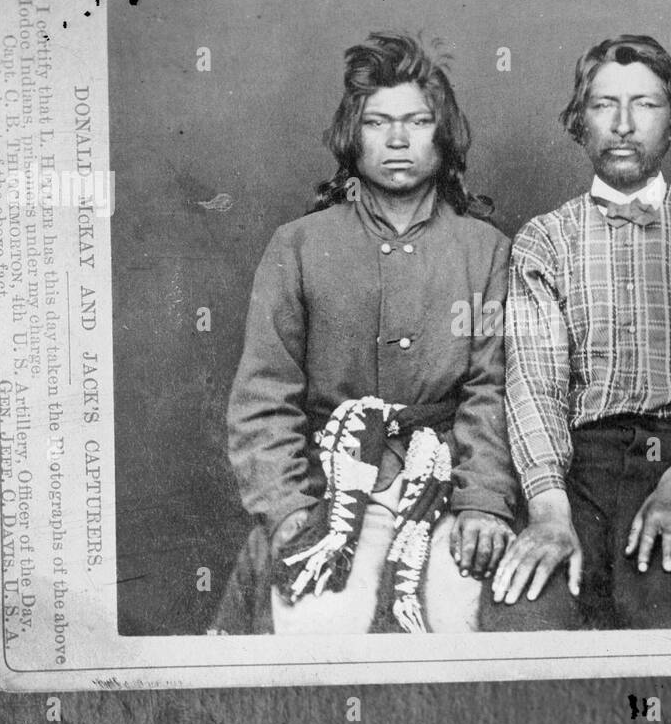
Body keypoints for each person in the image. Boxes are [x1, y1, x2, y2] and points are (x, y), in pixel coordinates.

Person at [211, 31, 517, 635]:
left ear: (443, 133)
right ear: (353, 136)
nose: (398, 140)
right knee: (322, 615)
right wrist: (294, 510)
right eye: (378, 123)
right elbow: (263, 402)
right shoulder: (298, 246)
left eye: (417, 121)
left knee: (461, 618)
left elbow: (494, 389)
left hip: (446, 484)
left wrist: (482, 499)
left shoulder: (485, 251)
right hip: (335, 482)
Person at [485, 34, 671, 630]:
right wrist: (549, 510)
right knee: (525, 616)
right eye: (605, 104)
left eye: (646, 104)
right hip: (577, 471)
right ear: (579, 122)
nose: (625, 124)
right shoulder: (545, 239)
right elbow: (533, 387)